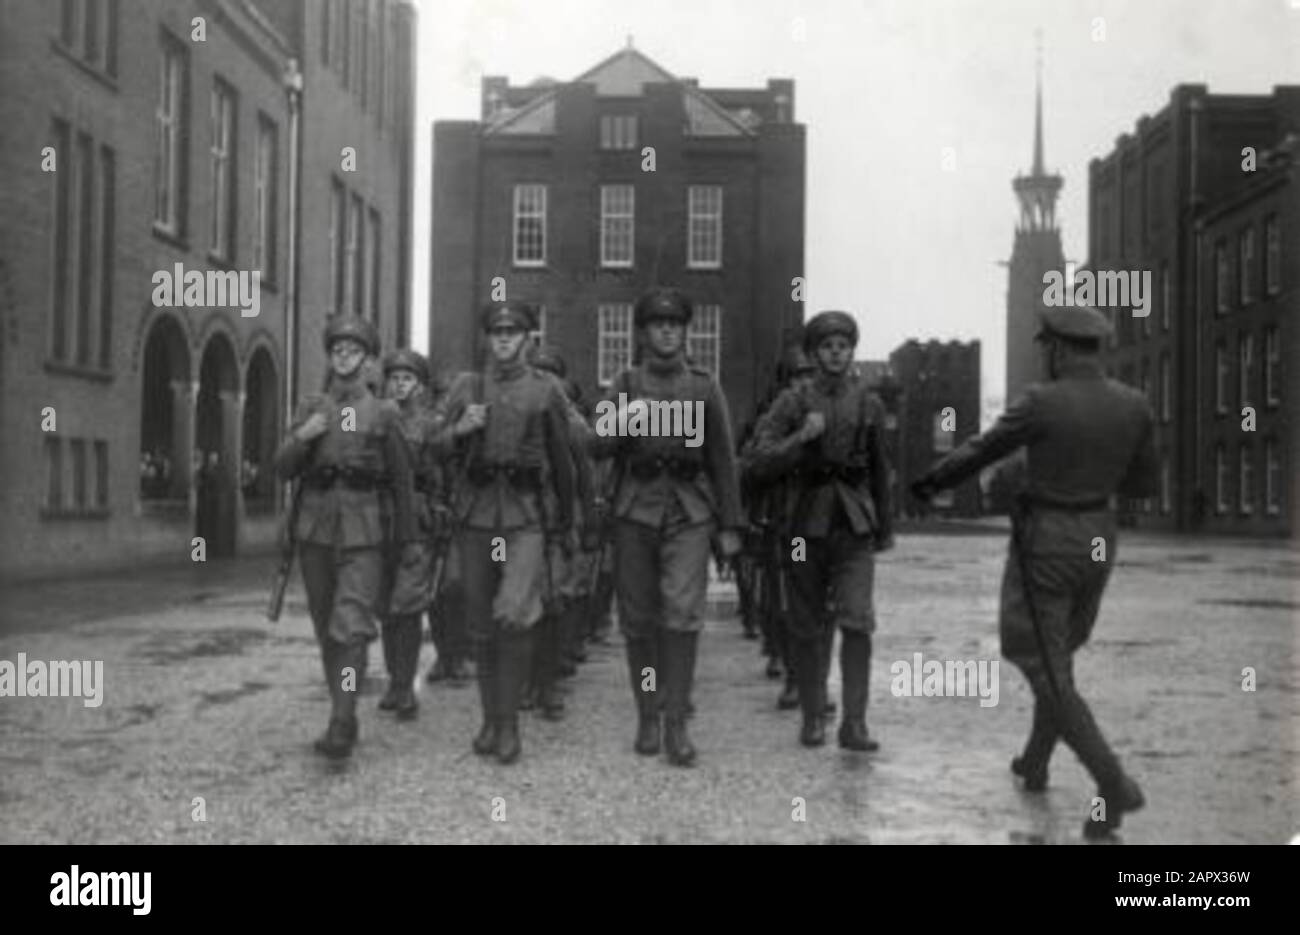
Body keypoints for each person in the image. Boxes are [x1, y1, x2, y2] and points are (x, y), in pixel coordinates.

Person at [910, 304, 1156, 838]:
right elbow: (1142, 486)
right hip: (1099, 540)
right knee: (1059, 655)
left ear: (1060, 349)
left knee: (1043, 662)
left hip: (1048, 540)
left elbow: (981, 448)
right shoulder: (1135, 405)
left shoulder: (1040, 403)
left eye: (1049, 349)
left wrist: (931, 481)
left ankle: (1113, 783)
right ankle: (1035, 760)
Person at [589, 287, 743, 766]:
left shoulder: (703, 386)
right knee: (638, 620)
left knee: (681, 614)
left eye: (675, 325)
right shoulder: (627, 383)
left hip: (689, 511)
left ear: (685, 331)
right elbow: (595, 446)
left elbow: (723, 459)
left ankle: (676, 721)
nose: (667, 332)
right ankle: (647, 716)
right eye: (658, 325)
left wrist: (731, 524)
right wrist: (620, 422)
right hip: (635, 510)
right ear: (643, 333)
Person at [431, 301, 576, 764]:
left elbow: (565, 457)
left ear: (529, 337)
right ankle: (490, 718)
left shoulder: (546, 389)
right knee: (481, 623)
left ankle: (510, 723)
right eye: (497, 332)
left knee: (514, 612)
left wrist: (568, 522)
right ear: (488, 338)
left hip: (525, 518)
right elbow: (430, 447)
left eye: (514, 331)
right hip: (477, 516)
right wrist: (458, 430)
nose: (505, 339)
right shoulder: (467, 387)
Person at [273, 314, 418, 759]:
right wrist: (303, 437)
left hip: (364, 532)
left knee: (351, 627)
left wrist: (408, 542)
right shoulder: (311, 406)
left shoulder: (383, 411)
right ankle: (344, 709)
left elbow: (401, 481)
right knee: (326, 630)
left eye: (353, 351)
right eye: (338, 350)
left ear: (367, 359)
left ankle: (342, 717)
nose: (344, 358)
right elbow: (280, 468)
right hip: (316, 529)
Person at [749, 311, 893, 751]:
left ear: (852, 352)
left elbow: (880, 470)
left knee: (857, 620)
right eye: (827, 347)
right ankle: (813, 716)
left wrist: (884, 527)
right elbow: (759, 457)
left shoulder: (869, 403)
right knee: (807, 622)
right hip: (801, 525)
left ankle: (855, 723)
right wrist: (801, 440)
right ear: (814, 354)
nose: (836, 353)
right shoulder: (792, 402)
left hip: (853, 525)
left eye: (843, 346)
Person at [376, 348, 438, 720]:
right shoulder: (376, 418)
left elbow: (437, 475)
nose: (400, 385)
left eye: (407, 379)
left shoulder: (429, 425)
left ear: (420, 386)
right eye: (394, 378)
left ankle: (406, 685)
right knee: (384, 605)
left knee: (408, 604)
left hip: (415, 520)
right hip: (379, 518)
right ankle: (393, 682)